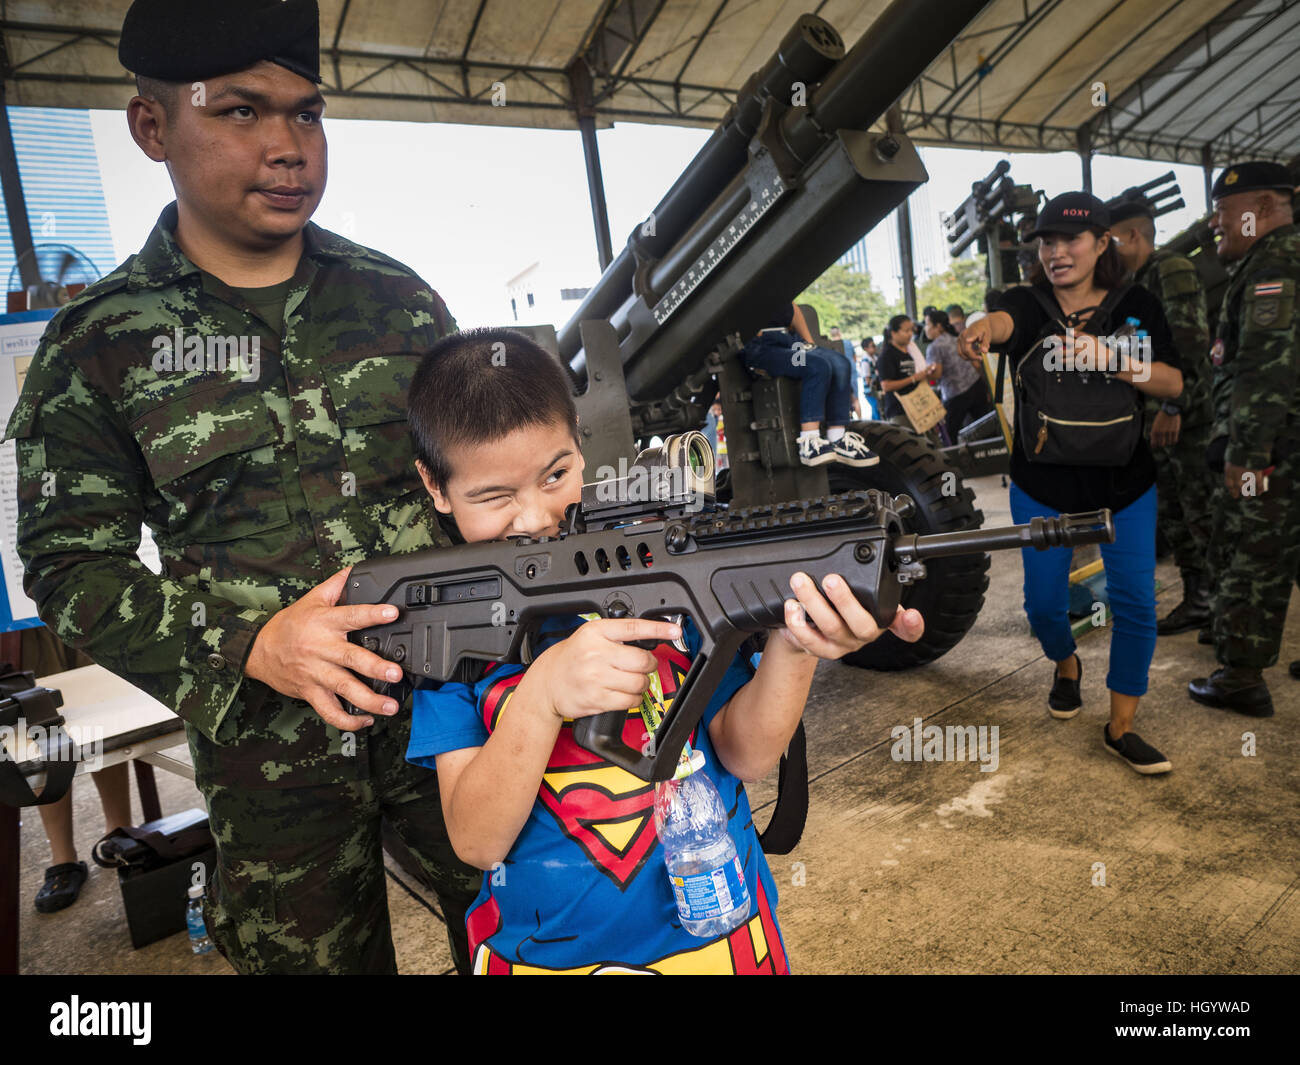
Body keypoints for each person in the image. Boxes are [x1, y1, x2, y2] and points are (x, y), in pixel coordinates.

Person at [4, 0, 480, 973]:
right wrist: (249, 644)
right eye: (239, 111)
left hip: (455, 720)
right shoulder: (99, 344)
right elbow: (69, 566)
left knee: (543, 936)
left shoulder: (401, 301)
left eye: (305, 113)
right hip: (270, 764)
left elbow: (486, 485)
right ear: (151, 126)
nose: (287, 146)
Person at [403, 329, 925, 973]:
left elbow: (747, 754)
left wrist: (798, 640)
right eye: (493, 496)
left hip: (721, 943)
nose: (535, 517)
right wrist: (539, 698)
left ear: (580, 445)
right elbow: (479, 843)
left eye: (556, 474)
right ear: (435, 486)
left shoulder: (661, 568)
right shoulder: (450, 631)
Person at [959, 192, 1185, 775]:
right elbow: (1004, 321)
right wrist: (982, 327)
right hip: (1043, 484)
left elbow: (1172, 383)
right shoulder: (1029, 302)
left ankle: (1121, 726)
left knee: (1136, 602)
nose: (1057, 252)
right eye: (1046, 241)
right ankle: (1065, 664)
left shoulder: (1138, 304)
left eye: (1071, 240)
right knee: (1043, 606)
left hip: (1126, 484)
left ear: (1102, 241)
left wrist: (1109, 356)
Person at [1187, 162, 1300, 717]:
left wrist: (1248, 454)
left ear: (1262, 207)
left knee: (1254, 550)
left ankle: (1241, 678)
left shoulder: (1274, 264)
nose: (1216, 223)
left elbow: (1266, 365)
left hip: (1275, 447)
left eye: (1225, 212)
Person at [1110, 198, 1216, 636]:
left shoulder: (1170, 271)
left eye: (1110, 240)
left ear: (1134, 234)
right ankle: (1199, 601)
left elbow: (1191, 343)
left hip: (1185, 420)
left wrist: (1174, 406)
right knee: (1175, 516)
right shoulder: (1135, 283)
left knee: (1203, 514)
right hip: (1156, 421)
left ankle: (1223, 607)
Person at [741, 302, 877, 467]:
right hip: (763, 346)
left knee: (841, 363)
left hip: (792, 342)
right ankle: (809, 442)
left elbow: (793, 310)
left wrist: (810, 344)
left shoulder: (777, 287)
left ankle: (837, 437)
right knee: (816, 366)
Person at [923, 307, 992, 442]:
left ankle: (955, 461)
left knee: (949, 435)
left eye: (927, 324)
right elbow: (975, 364)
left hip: (956, 394)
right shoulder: (956, 338)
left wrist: (922, 375)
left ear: (938, 327)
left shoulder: (934, 347)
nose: (925, 329)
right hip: (976, 386)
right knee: (986, 428)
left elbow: (936, 374)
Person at [876, 314, 940, 440]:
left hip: (916, 407)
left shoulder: (908, 351)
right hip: (899, 411)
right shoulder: (887, 356)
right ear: (893, 333)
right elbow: (886, 385)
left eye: (911, 330)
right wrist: (914, 378)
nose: (910, 334)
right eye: (906, 331)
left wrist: (924, 374)